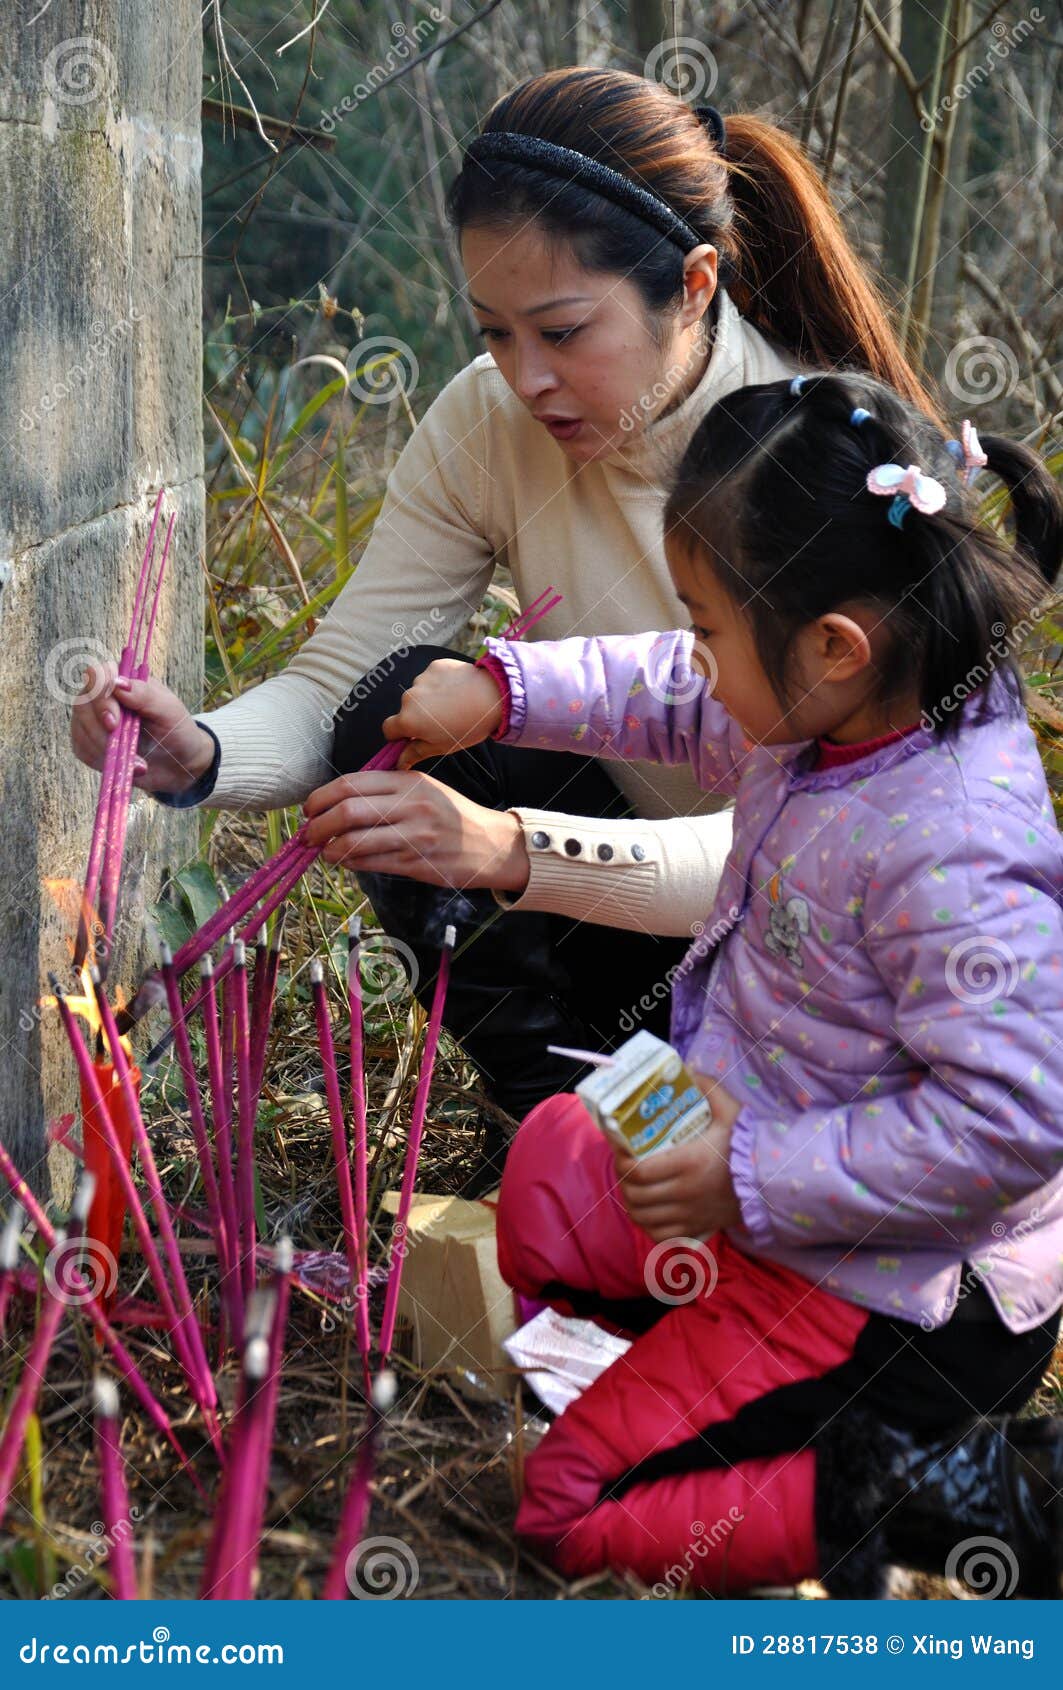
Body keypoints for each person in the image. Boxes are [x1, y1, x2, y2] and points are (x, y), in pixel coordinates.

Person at [71, 66, 945, 1168]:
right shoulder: (492, 423)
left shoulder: (822, 476)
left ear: (693, 283)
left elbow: (803, 856)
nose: (526, 379)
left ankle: (690, 1167)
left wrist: (509, 848)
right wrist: (200, 751)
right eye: (493, 331)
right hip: (623, 916)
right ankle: (573, 1132)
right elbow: (342, 682)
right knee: (395, 710)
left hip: (812, 980)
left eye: (563, 331)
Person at [376, 369, 1063, 1598]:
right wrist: (505, 691)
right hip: (760, 1146)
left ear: (834, 643)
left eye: (705, 620)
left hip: (887, 1285)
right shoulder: (846, 697)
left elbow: (1015, 1118)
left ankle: (918, 1482)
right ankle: (711, 1378)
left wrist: (747, 1173)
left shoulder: (954, 844)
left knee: (571, 1506)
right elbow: (678, 688)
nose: (692, 650)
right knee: (552, 1162)